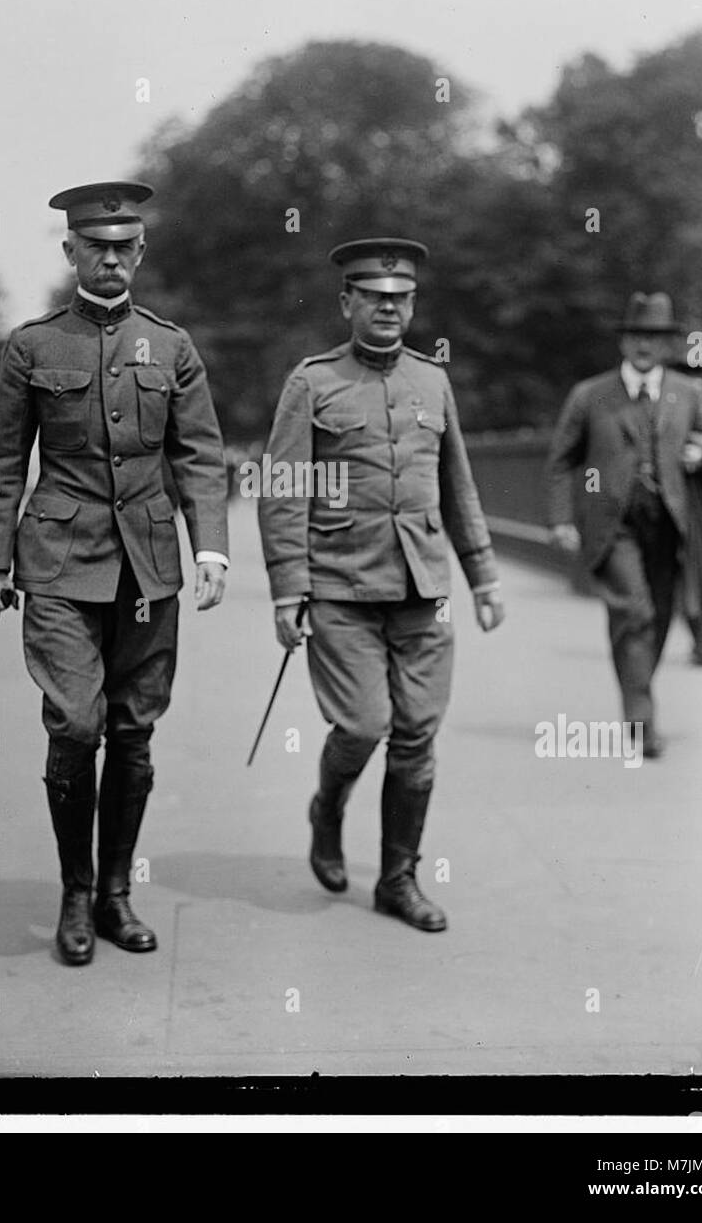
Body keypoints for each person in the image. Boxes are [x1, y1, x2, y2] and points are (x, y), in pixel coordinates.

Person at [0, 182, 229, 965]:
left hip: (148, 570)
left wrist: (210, 548)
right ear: (71, 252)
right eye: (96, 247)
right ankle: (75, 893)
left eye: (125, 247)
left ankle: (117, 892)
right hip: (55, 566)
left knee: (133, 731)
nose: (111, 259)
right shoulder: (33, 346)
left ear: (140, 253)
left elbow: (200, 457)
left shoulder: (172, 347)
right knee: (75, 725)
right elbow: (3, 464)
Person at [257, 238, 505, 932]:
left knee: (418, 734)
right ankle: (328, 806)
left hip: (423, 588)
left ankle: (398, 879)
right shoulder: (312, 382)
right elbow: (281, 492)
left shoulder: (433, 382)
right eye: (375, 298)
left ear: (413, 305)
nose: (390, 309)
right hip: (340, 587)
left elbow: (458, 486)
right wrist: (287, 588)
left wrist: (482, 575)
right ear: (347, 303)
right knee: (365, 724)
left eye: (401, 299)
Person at [545, 291, 702, 757]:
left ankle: (638, 688)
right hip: (612, 525)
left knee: (658, 616)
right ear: (624, 342)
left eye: (655, 337)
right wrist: (562, 519)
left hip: (670, 524)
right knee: (634, 611)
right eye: (638, 335)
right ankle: (641, 719)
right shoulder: (590, 394)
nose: (645, 345)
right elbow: (561, 461)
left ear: (667, 346)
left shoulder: (688, 392)